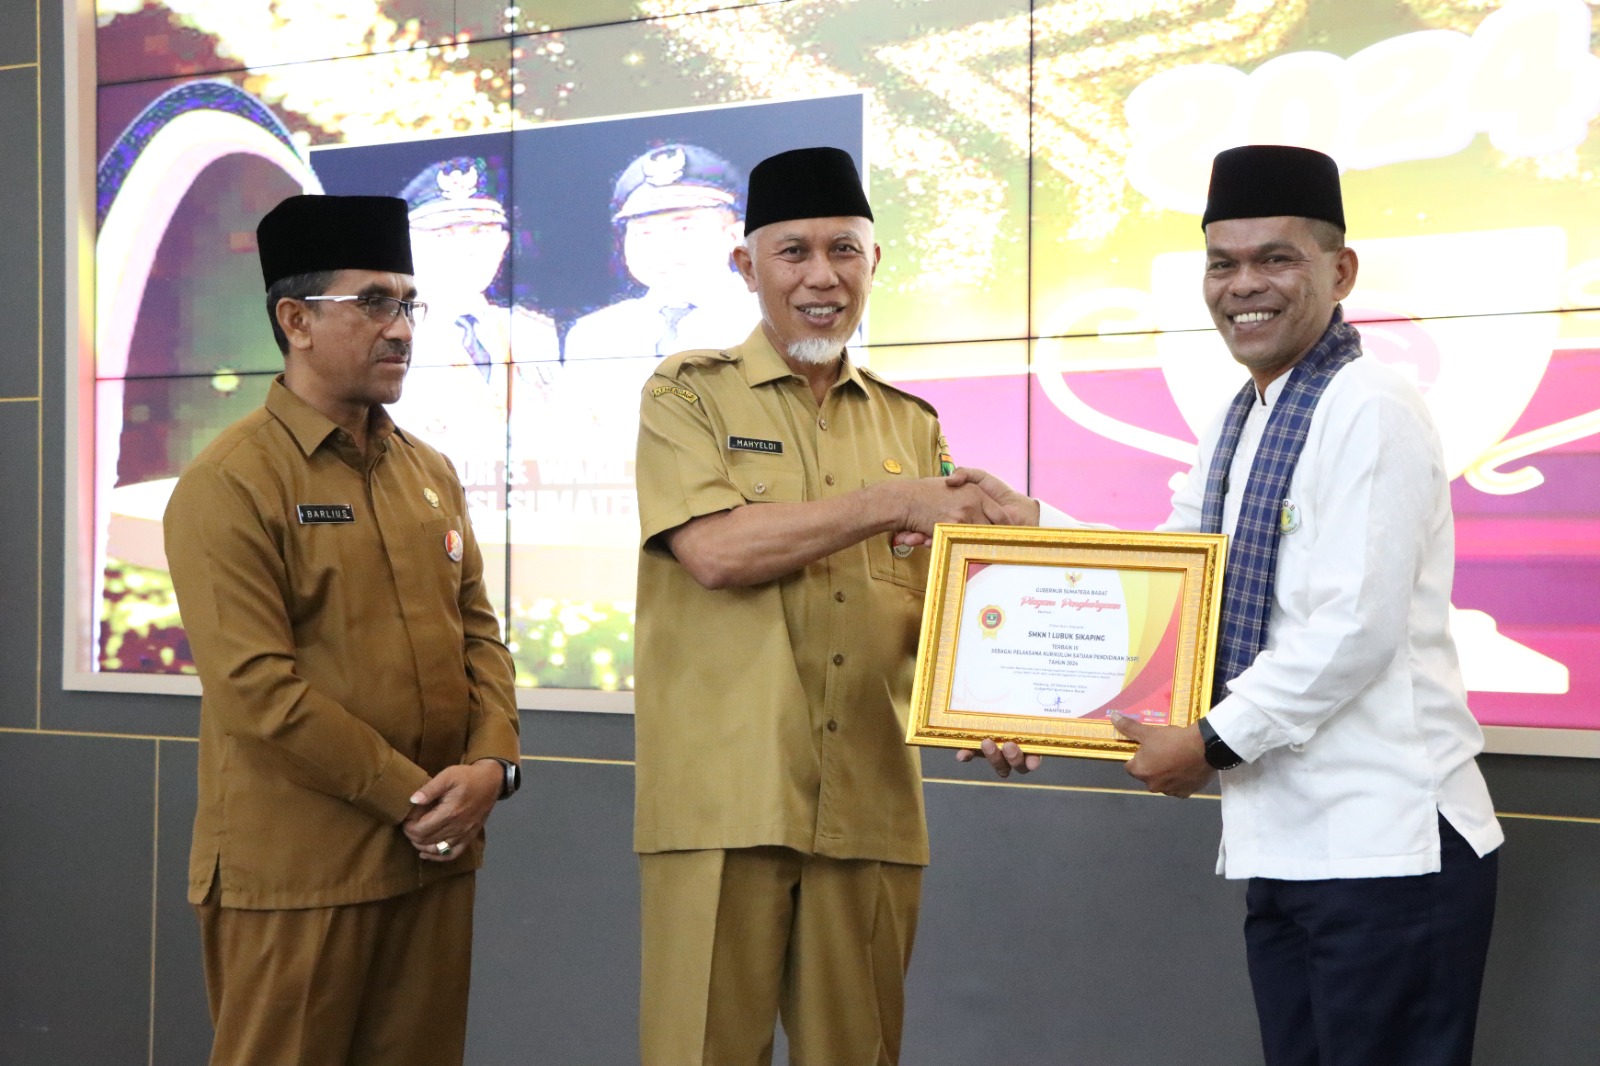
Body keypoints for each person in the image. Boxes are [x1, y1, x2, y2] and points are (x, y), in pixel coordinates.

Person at [964, 145, 1504, 1066]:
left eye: (1275, 259)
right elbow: (1175, 575)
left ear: (1340, 271)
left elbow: (1350, 633)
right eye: (1223, 263)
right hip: (1288, 845)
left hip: (1387, 850)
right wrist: (1028, 528)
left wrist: (1205, 742)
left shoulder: (1368, 404)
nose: (1242, 285)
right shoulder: (1242, 413)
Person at [631, 146, 1022, 1064]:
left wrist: (1004, 702)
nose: (821, 277)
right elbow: (717, 552)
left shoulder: (910, 423)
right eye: (793, 251)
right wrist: (895, 501)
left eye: (844, 250)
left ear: (875, 263)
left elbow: (942, 611)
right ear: (747, 267)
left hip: (871, 806)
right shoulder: (684, 394)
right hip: (726, 804)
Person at [163, 194, 523, 1066]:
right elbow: (257, 691)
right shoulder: (232, 482)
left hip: (433, 859)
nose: (400, 328)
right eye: (372, 303)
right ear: (295, 320)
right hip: (301, 872)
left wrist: (493, 767)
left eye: (408, 303)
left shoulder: (429, 472)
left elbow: (481, 636)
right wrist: (417, 800)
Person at [389, 155, 559, 469]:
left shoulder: (536, 332)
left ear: (503, 243)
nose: (465, 250)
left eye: (480, 232)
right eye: (442, 235)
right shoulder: (383, 341)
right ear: (407, 247)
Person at [563, 142, 758, 364]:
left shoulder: (778, 320)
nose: (661, 247)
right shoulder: (594, 334)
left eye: (683, 229)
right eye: (644, 232)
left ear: (733, 236)